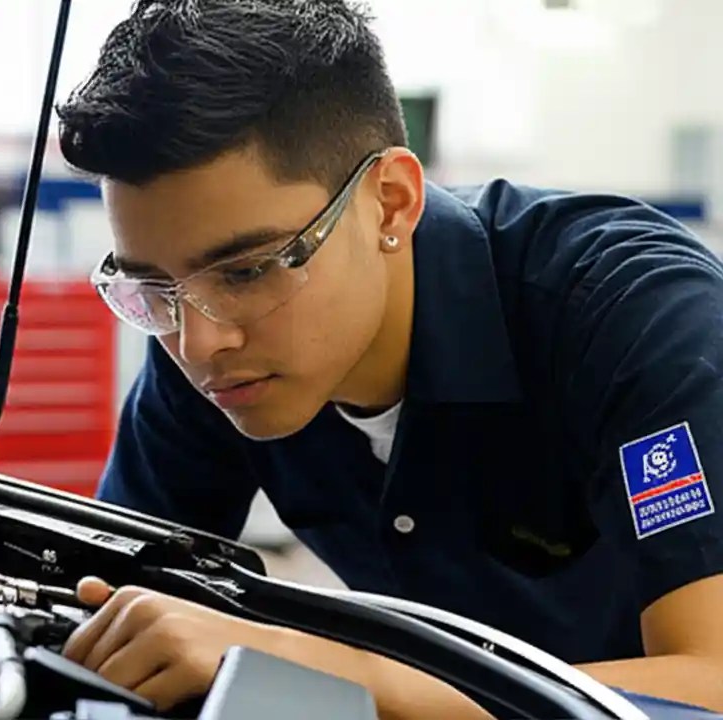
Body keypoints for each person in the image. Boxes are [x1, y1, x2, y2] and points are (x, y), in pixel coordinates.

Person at [52, 0, 723, 717]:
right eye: (151, 286)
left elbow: (711, 683)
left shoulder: (632, 315)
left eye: (249, 270)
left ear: (392, 201)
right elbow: (110, 609)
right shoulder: (209, 339)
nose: (198, 342)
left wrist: (326, 670)